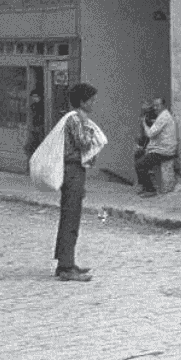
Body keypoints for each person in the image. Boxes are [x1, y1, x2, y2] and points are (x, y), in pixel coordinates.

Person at [55, 82, 106, 282]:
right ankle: (66, 266)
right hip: (72, 169)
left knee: (71, 215)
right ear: (83, 102)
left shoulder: (74, 118)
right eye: (91, 100)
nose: (93, 104)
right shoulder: (76, 119)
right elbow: (83, 144)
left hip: (74, 169)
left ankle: (66, 261)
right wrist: (90, 130)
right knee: (71, 216)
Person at [133, 98, 178, 196]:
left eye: (158, 105)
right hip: (159, 149)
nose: (155, 107)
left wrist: (144, 123)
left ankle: (150, 190)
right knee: (138, 154)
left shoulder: (163, 117)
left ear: (164, 106)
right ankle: (143, 185)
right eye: (154, 105)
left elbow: (150, 134)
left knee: (140, 165)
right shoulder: (161, 116)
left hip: (163, 151)